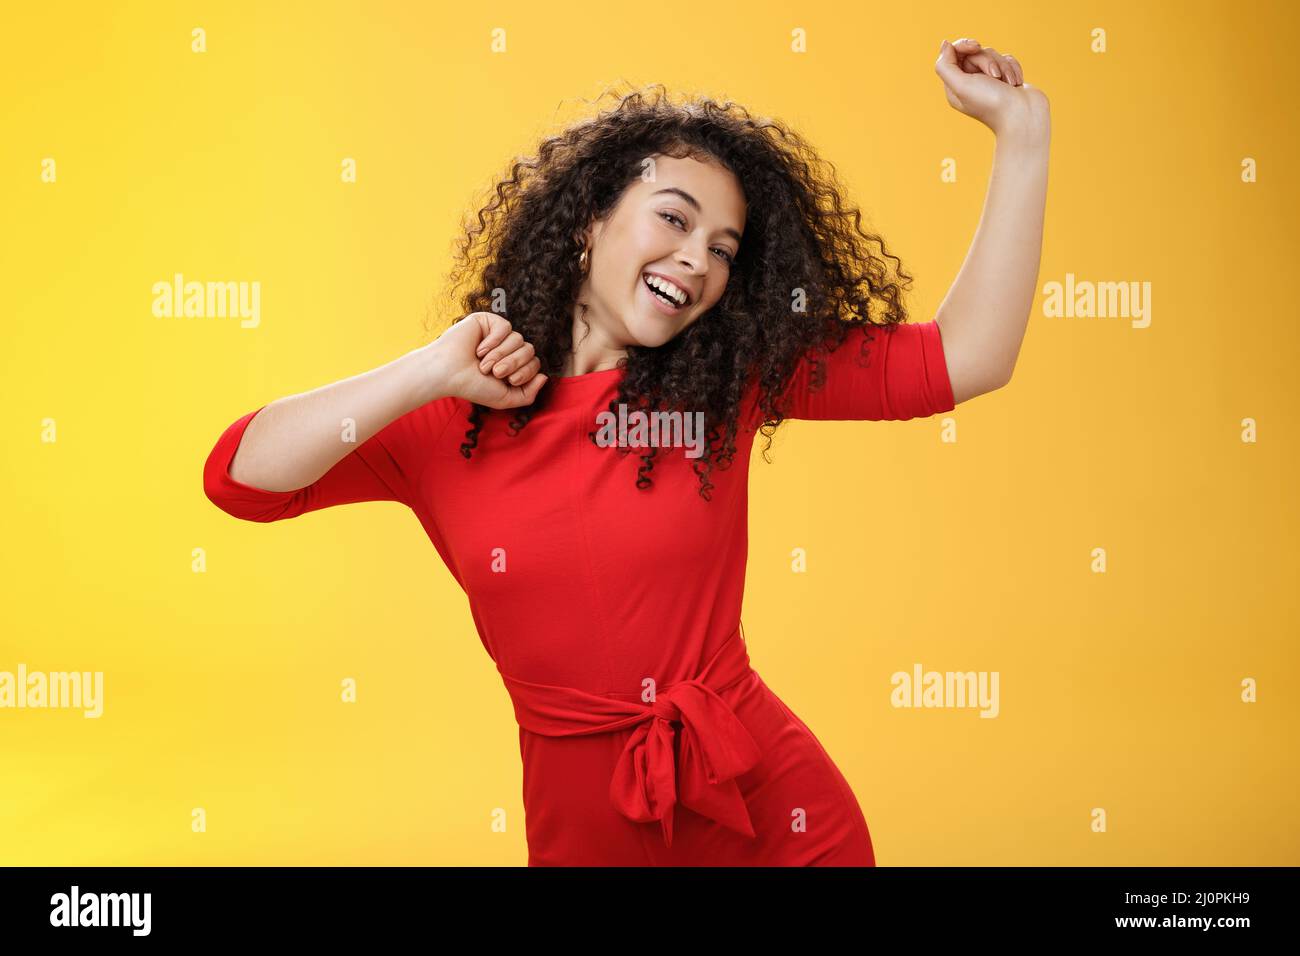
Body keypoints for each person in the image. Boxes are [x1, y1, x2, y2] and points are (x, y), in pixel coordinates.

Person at [202, 41, 1050, 865]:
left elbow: (968, 356)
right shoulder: (449, 417)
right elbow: (239, 476)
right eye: (674, 218)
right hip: (585, 829)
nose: (697, 257)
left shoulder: (728, 378)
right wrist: (427, 369)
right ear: (589, 222)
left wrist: (1022, 136)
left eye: (722, 248)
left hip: (771, 815)